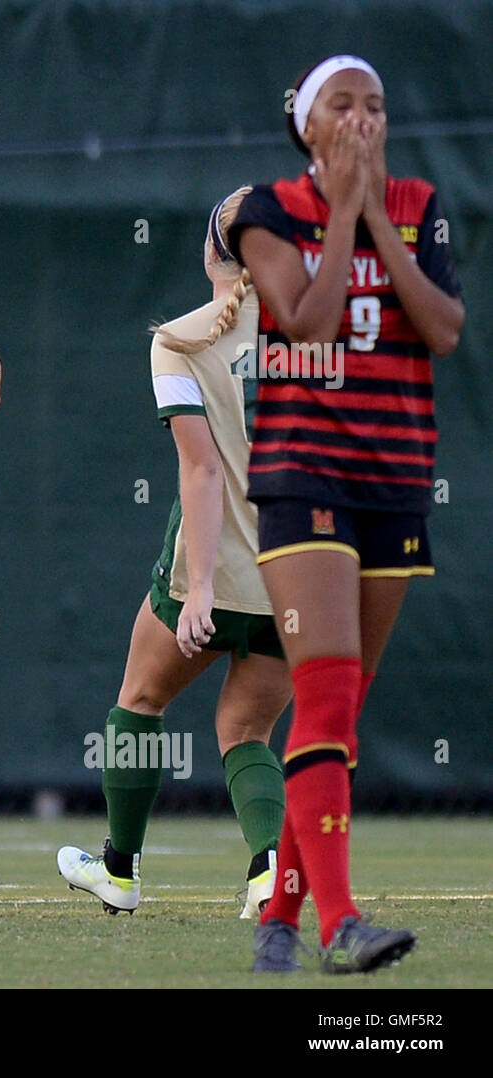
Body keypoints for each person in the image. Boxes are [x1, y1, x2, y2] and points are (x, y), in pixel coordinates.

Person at [229, 55, 463, 973]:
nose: (363, 118)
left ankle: (278, 924)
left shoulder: (418, 199)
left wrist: (376, 218)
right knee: (323, 695)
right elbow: (309, 319)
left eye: (376, 103)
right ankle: (340, 925)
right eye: (343, 104)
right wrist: (340, 212)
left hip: (395, 479)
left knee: (339, 715)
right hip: (303, 477)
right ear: (307, 125)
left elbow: (442, 328)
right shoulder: (269, 208)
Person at [56, 188, 292, 918]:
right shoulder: (322, 338)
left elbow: (202, 469)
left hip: (214, 570)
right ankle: (269, 868)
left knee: (140, 701)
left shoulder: (180, 338)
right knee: (248, 733)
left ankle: (120, 871)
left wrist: (196, 589)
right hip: (298, 577)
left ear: (211, 253)